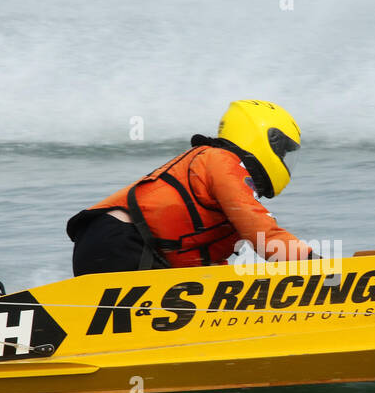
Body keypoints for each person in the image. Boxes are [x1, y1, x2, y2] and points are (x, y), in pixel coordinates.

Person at [67, 100, 317, 274]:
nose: (285, 161)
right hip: (121, 244)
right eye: (284, 151)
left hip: (115, 247)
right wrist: (321, 268)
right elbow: (265, 235)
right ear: (266, 139)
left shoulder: (225, 180)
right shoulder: (221, 161)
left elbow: (205, 272)